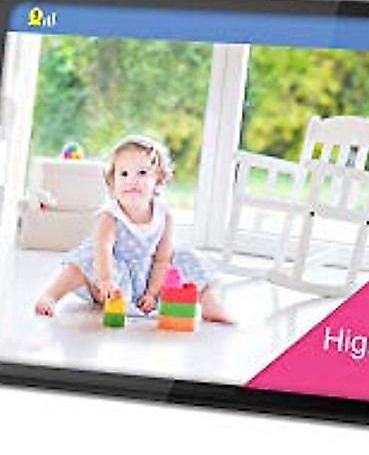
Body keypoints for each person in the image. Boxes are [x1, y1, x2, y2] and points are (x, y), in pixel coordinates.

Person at [34, 134, 232, 322]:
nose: (132, 180)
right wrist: (105, 280)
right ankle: (51, 295)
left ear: (158, 179)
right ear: (113, 181)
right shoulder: (110, 217)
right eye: (124, 173)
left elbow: (162, 260)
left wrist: (152, 293)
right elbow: (102, 251)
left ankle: (209, 303)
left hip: (148, 276)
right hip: (110, 276)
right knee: (84, 259)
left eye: (142, 173)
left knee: (186, 256)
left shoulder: (164, 215)